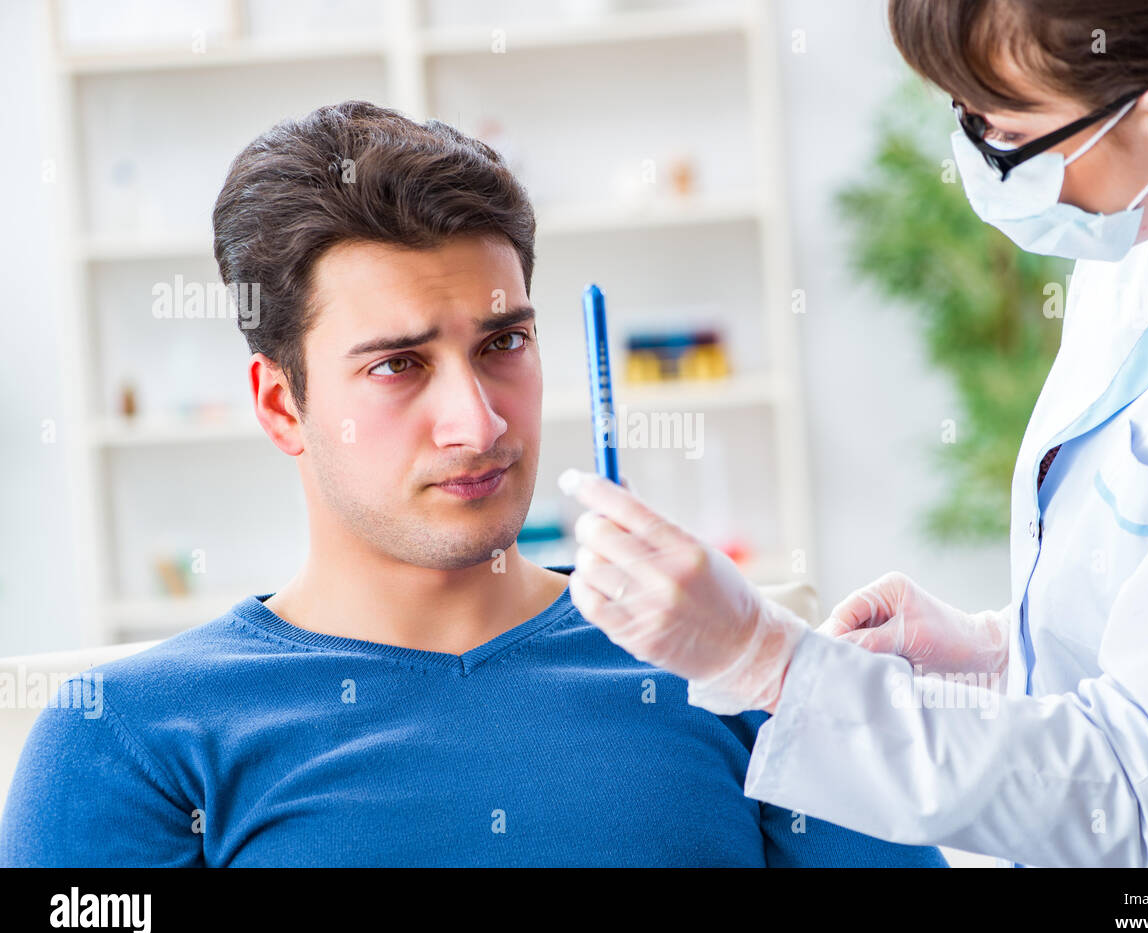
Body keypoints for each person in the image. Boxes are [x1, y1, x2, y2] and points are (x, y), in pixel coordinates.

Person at [0, 102, 945, 868]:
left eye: (503, 345)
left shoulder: (731, 668)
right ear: (282, 405)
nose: (482, 423)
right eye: (398, 366)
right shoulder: (127, 741)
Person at [557, 0, 1148, 866]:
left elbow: (1135, 794)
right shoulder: (1138, 244)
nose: (976, 156)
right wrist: (997, 648)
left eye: (999, 126)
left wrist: (768, 660)